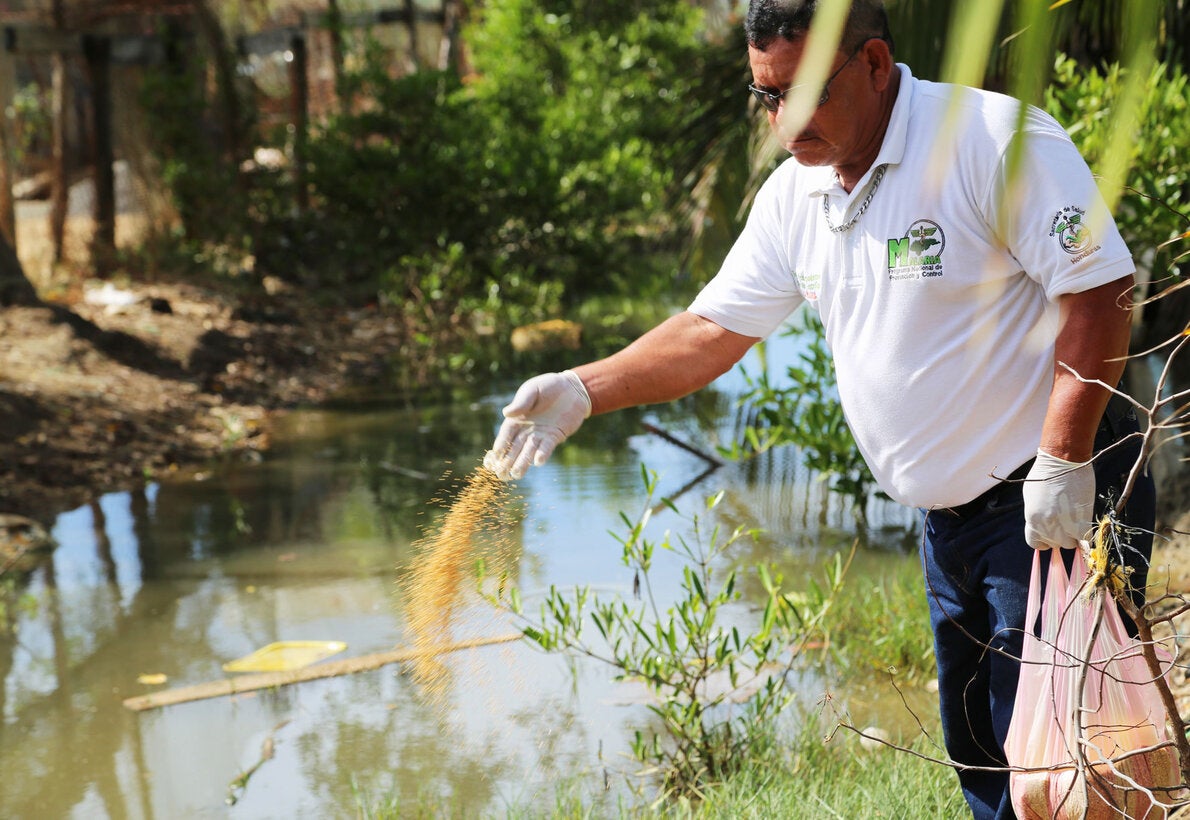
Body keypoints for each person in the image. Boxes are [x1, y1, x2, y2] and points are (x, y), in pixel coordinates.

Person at [483, 1, 1156, 817]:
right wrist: (585, 389)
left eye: (801, 92)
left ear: (873, 63)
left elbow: (1100, 289)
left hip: (1054, 490)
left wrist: (1062, 454)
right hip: (948, 524)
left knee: (1069, 769)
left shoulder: (989, 140)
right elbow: (709, 330)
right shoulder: (794, 197)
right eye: (767, 97)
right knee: (984, 758)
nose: (782, 119)